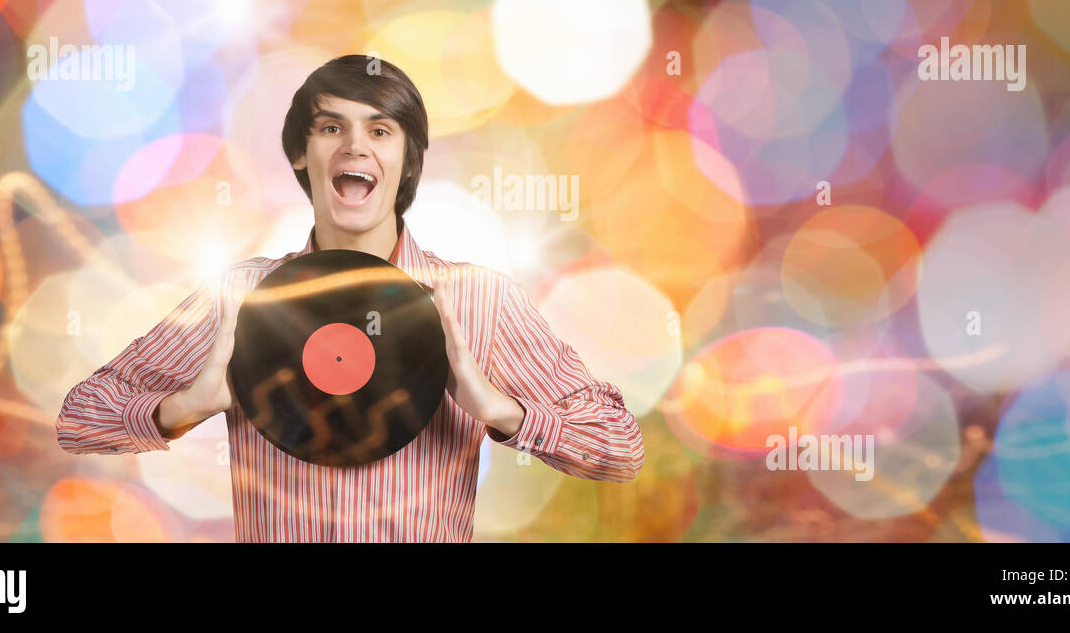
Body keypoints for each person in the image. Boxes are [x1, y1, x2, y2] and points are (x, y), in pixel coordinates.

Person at [56, 54, 644, 542]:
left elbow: (621, 447)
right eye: (331, 127)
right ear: (299, 153)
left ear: (405, 161)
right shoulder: (237, 296)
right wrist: (181, 408)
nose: (354, 147)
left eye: (380, 130)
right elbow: (80, 417)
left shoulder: (478, 299)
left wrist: (500, 412)